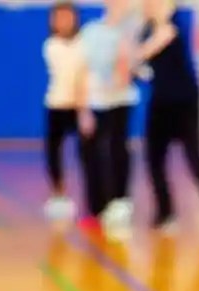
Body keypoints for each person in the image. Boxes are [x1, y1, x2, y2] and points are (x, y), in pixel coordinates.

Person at [135, 0, 199, 238]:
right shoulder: (146, 29)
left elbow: (155, 45)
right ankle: (166, 213)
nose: (145, 6)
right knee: (153, 158)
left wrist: (135, 57)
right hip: (160, 102)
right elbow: (142, 66)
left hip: (185, 100)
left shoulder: (180, 20)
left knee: (194, 157)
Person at [78, 0, 142, 237]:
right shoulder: (91, 31)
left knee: (118, 147)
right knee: (91, 150)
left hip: (121, 99)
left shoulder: (134, 30)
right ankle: (97, 206)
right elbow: (83, 70)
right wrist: (83, 108)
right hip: (96, 100)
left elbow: (131, 67)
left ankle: (120, 202)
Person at [42, 2, 89, 222]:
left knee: (87, 153)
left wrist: (83, 107)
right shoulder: (51, 46)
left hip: (79, 106)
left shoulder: (84, 44)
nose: (63, 22)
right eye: (59, 18)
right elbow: (70, 74)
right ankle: (58, 194)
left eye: (67, 17)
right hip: (57, 104)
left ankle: (92, 197)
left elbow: (83, 74)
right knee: (54, 151)